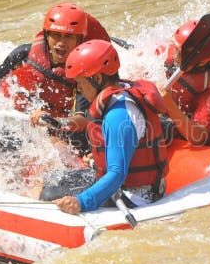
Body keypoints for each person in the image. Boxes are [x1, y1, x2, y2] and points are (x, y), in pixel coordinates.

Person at [0, 2, 110, 154]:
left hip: (51, 127)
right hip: (14, 115)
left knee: (59, 149)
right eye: (56, 35)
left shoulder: (82, 72)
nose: (61, 43)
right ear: (47, 36)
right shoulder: (24, 54)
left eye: (69, 36)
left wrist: (55, 122)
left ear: (79, 40)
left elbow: (81, 118)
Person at [49, 40, 169, 214]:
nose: (79, 89)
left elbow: (116, 174)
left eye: (80, 82)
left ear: (97, 78)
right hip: (131, 184)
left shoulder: (119, 115)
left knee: (49, 193)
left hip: (136, 196)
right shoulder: (122, 91)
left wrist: (81, 202)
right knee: (53, 179)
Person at [159, 19, 210, 147]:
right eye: (175, 49)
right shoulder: (165, 54)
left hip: (173, 132)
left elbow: (198, 138)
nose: (175, 55)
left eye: (181, 53)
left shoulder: (209, 92)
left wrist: (169, 103)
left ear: (202, 61)